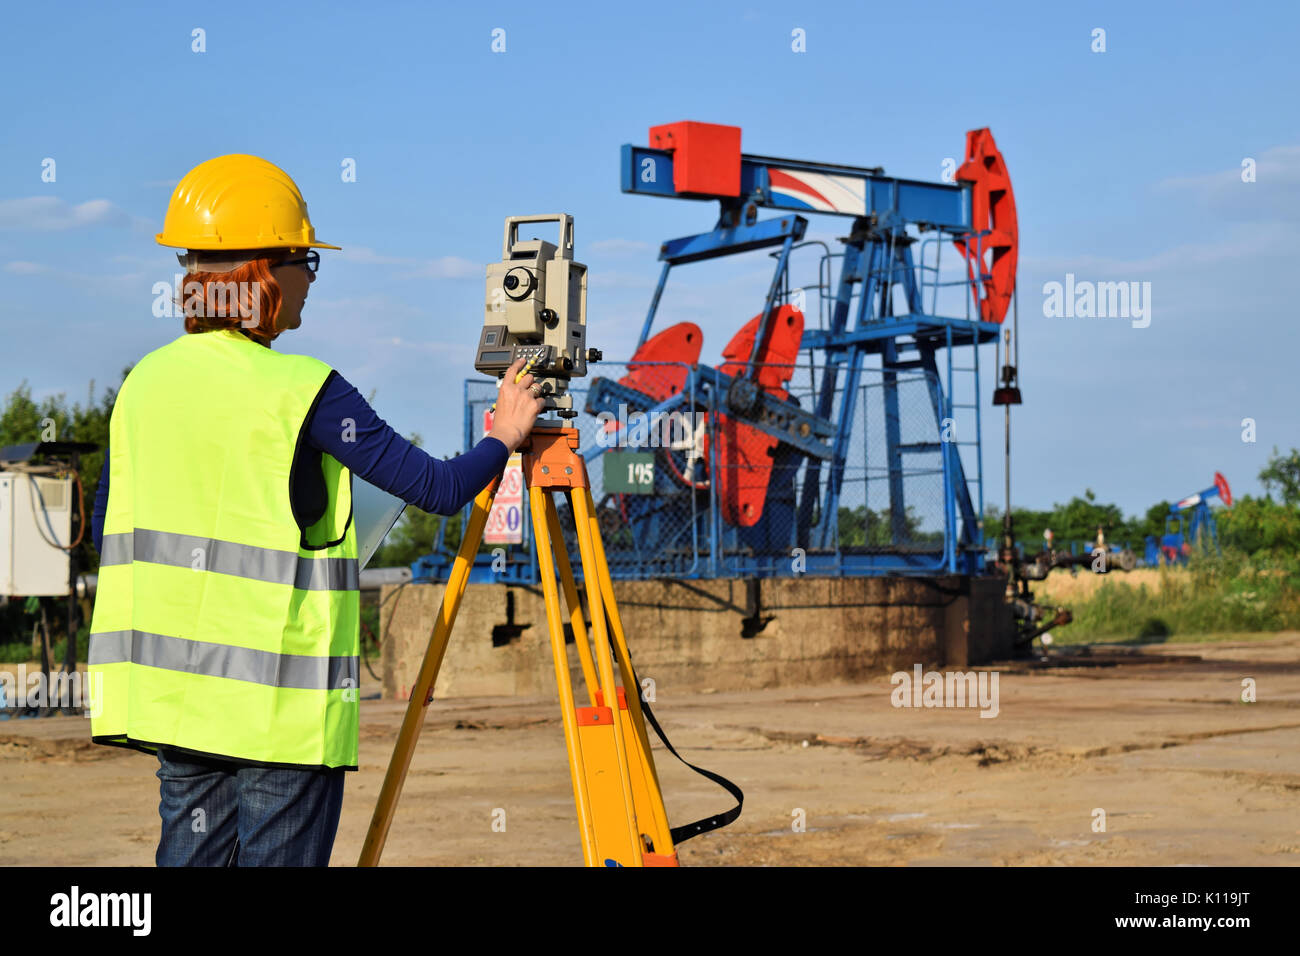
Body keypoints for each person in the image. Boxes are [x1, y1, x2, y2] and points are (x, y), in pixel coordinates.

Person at [87, 154, 544, 866]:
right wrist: (505, 435)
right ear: (266, 272)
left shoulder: (144, 384)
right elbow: (438, 489)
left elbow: (102, 532)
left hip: (173, 705)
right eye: (307, 261)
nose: (311, 282)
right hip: (278, 714)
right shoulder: (307, 389)